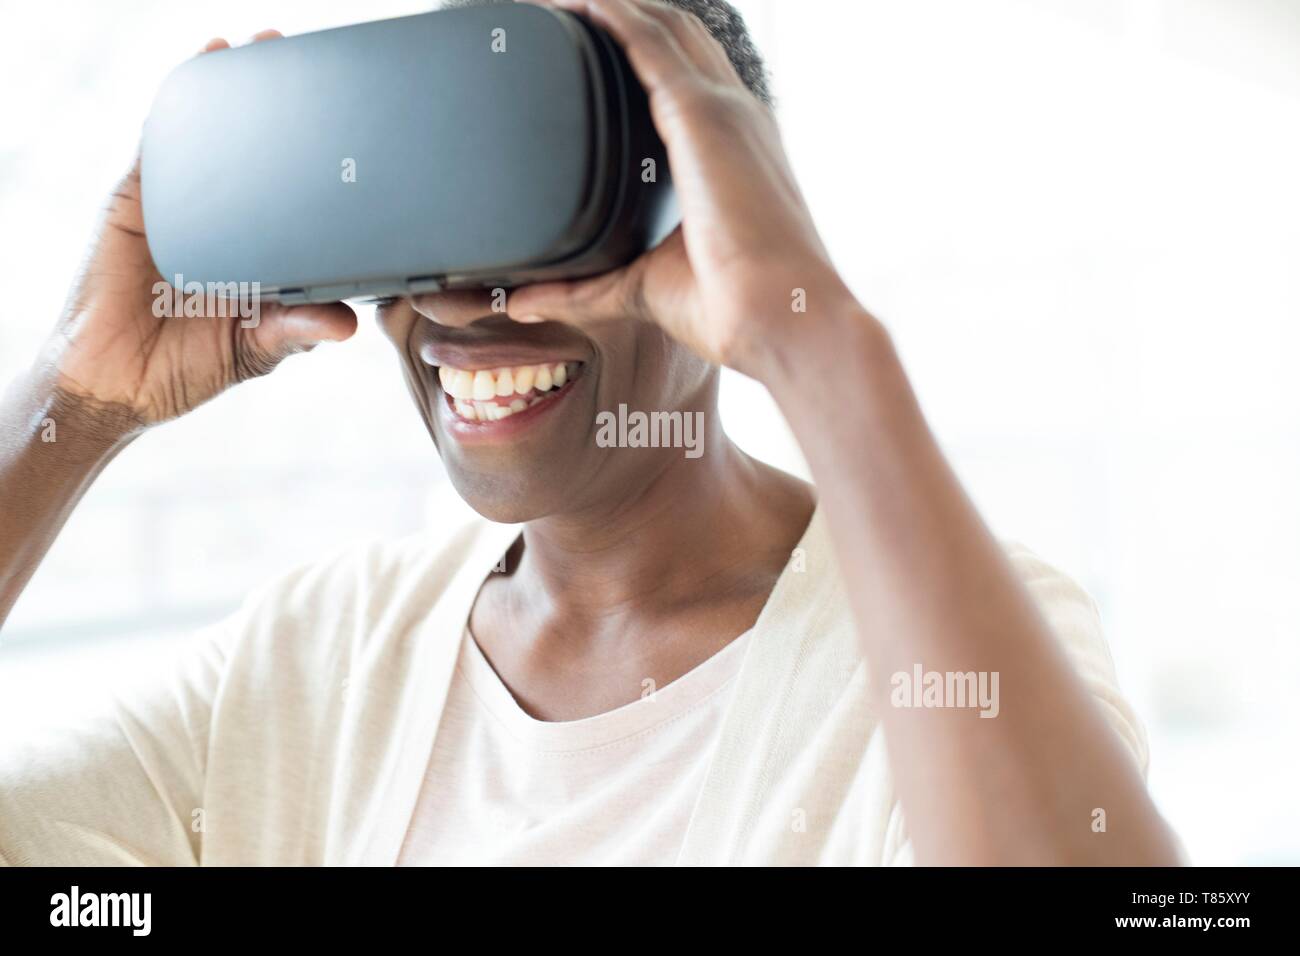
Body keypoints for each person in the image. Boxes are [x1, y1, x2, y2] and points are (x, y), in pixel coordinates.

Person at [0, 0, 1180, 865]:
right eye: (426, 211)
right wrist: (74, 403)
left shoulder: (944, 642)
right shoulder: (319, 653)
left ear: (705, 212)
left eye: (542, 211)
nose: (467, 300)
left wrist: (818, 345)